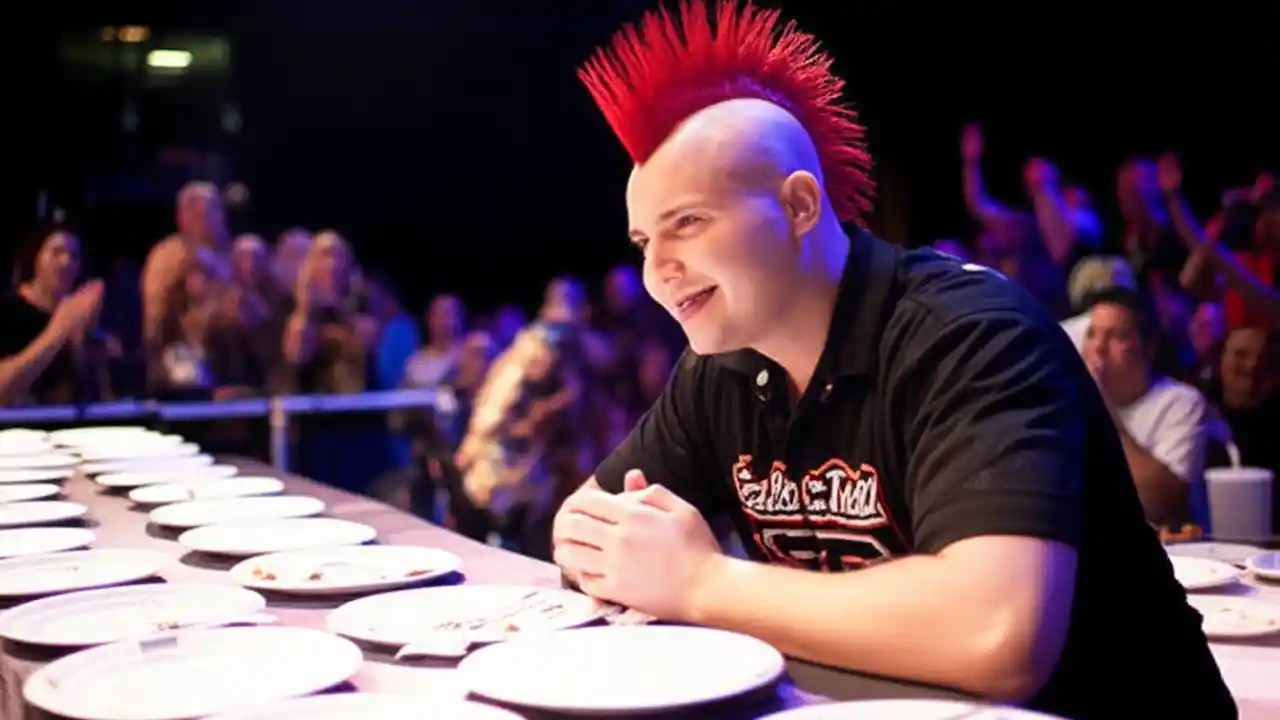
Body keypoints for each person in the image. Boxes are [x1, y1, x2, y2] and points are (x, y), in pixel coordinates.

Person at [551, 2, 1235, 718]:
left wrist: (699, 582)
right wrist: (614, 546)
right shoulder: (721, 363)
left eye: (686, 223)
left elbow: (996, 634)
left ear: (800, 206)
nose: (657, 270)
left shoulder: (969, 335)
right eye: (641, 242)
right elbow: (581, 526)